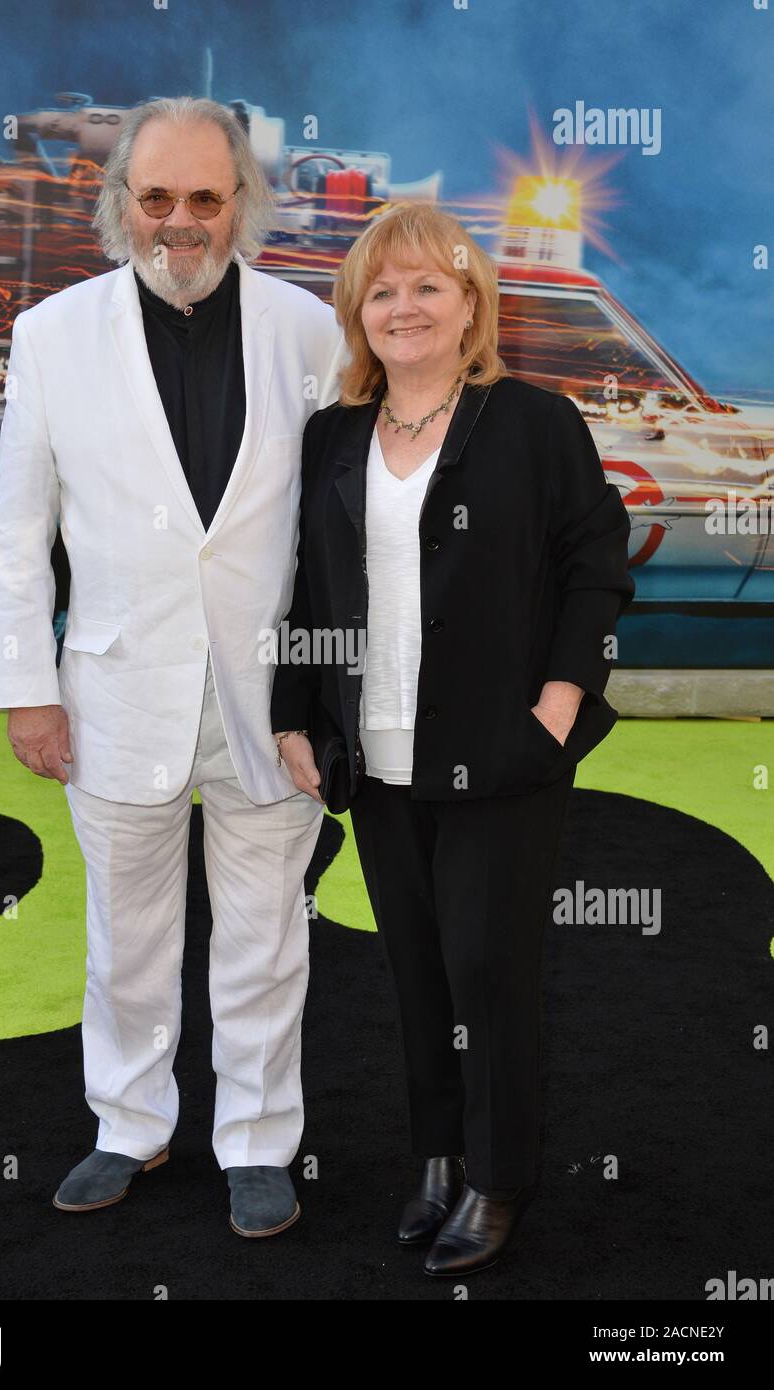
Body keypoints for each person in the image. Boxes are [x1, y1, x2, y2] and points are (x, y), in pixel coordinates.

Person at [0, 96, 345, 1237]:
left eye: (204, 197)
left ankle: (255, 1142)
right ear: (119, 203)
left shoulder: (313, 330)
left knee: (266, 936)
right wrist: (27, 687)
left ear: (241, 202)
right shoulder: (51, 335)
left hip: (271, 703)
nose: (179, 221)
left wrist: (332, 693)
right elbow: (17, 530)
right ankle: (128, 1127)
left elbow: (337, 533)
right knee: (127, 941)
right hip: (111, 698)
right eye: (157, 198)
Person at [271, 201, 635, 1276]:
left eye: (429, 285)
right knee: (417, 971)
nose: (404, 305)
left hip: (503, 752)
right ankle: (436, 1154)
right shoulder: (334, 434)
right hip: (374, 757)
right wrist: (296, 709)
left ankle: (499, 1173)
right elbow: (309, 582)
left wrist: (558, 707)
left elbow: (595, 566)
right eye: (381, 290)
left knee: (489, 970)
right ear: (358, 314)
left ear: (471, 303)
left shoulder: (532, 420)